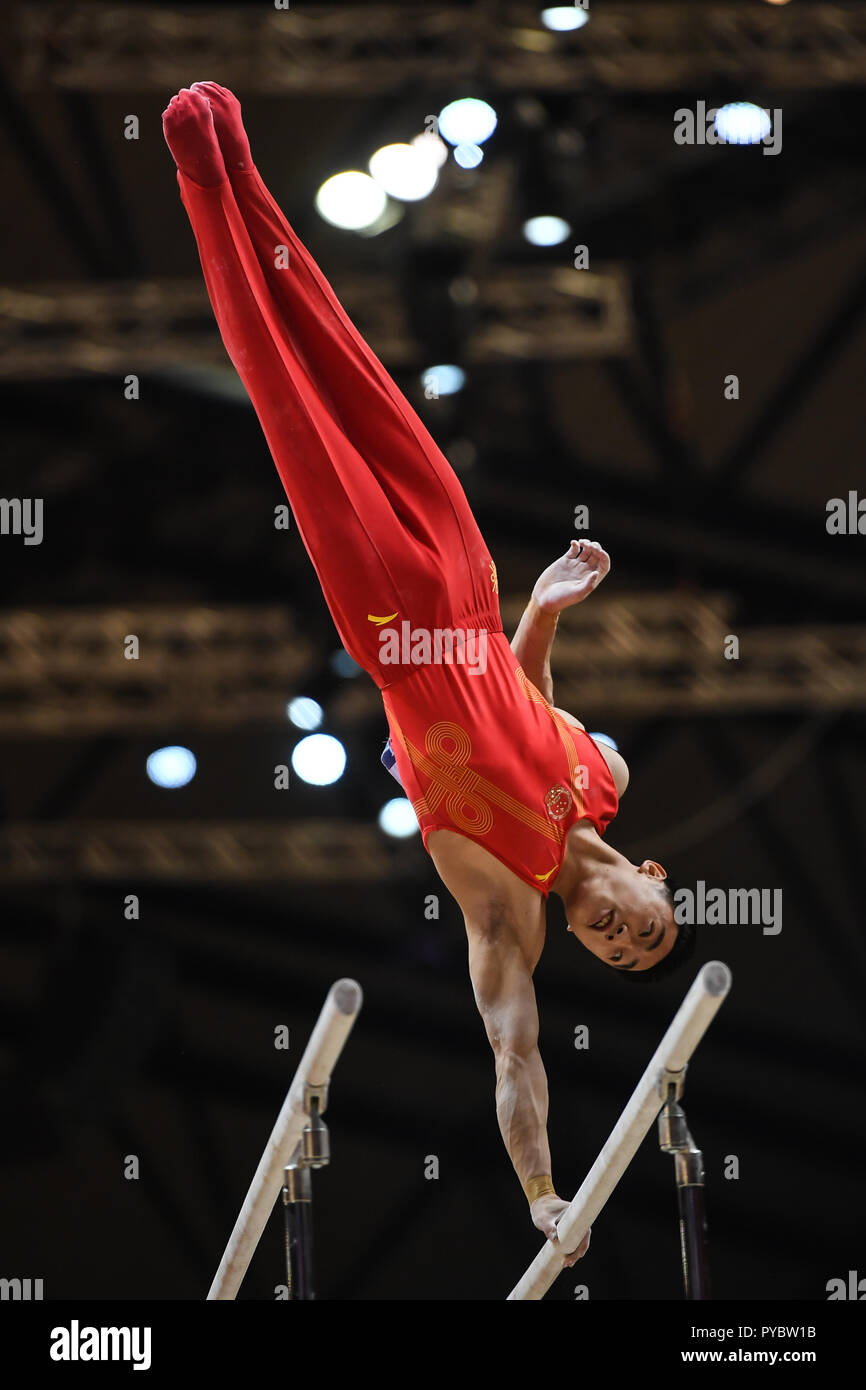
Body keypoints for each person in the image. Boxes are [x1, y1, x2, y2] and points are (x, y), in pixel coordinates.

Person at [163, 84, 694, 1267]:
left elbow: (514, 1054)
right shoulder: (599, 775)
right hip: (464, 577)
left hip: (392, 624)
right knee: (345, 355)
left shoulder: (505, 915)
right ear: (656, 881)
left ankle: (201, 176)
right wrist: (544, 610)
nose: (620, 941)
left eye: (621, 955)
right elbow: (523, 706)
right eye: (646, 934)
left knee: (283, 389)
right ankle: (247, 168)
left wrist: (542, 1194)